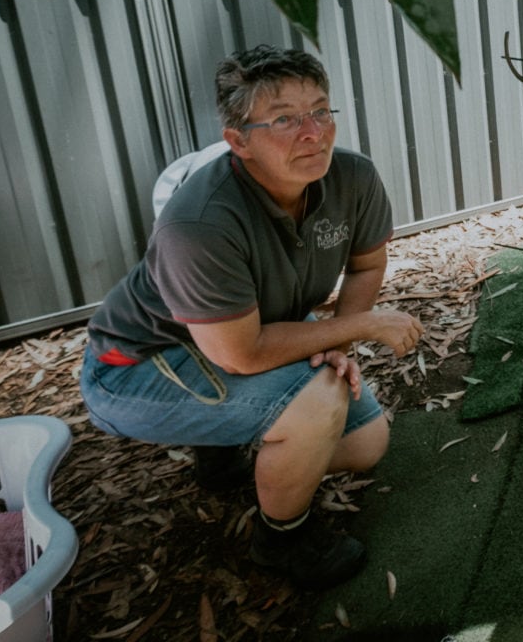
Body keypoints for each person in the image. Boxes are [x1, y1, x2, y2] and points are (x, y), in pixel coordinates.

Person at [79, 44, 423, 589]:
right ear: (238, 141)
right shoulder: (199, 223)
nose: (313, 132)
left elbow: (366, 264)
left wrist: (337, 347)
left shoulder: (352, 177)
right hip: (137, 363)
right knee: (317, 404)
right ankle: (282, 538)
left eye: (320, 110)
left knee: (365, 443)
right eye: (284, 119)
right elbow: (241, 354)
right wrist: (362, 326)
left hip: (241, 333)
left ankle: (222, 447)